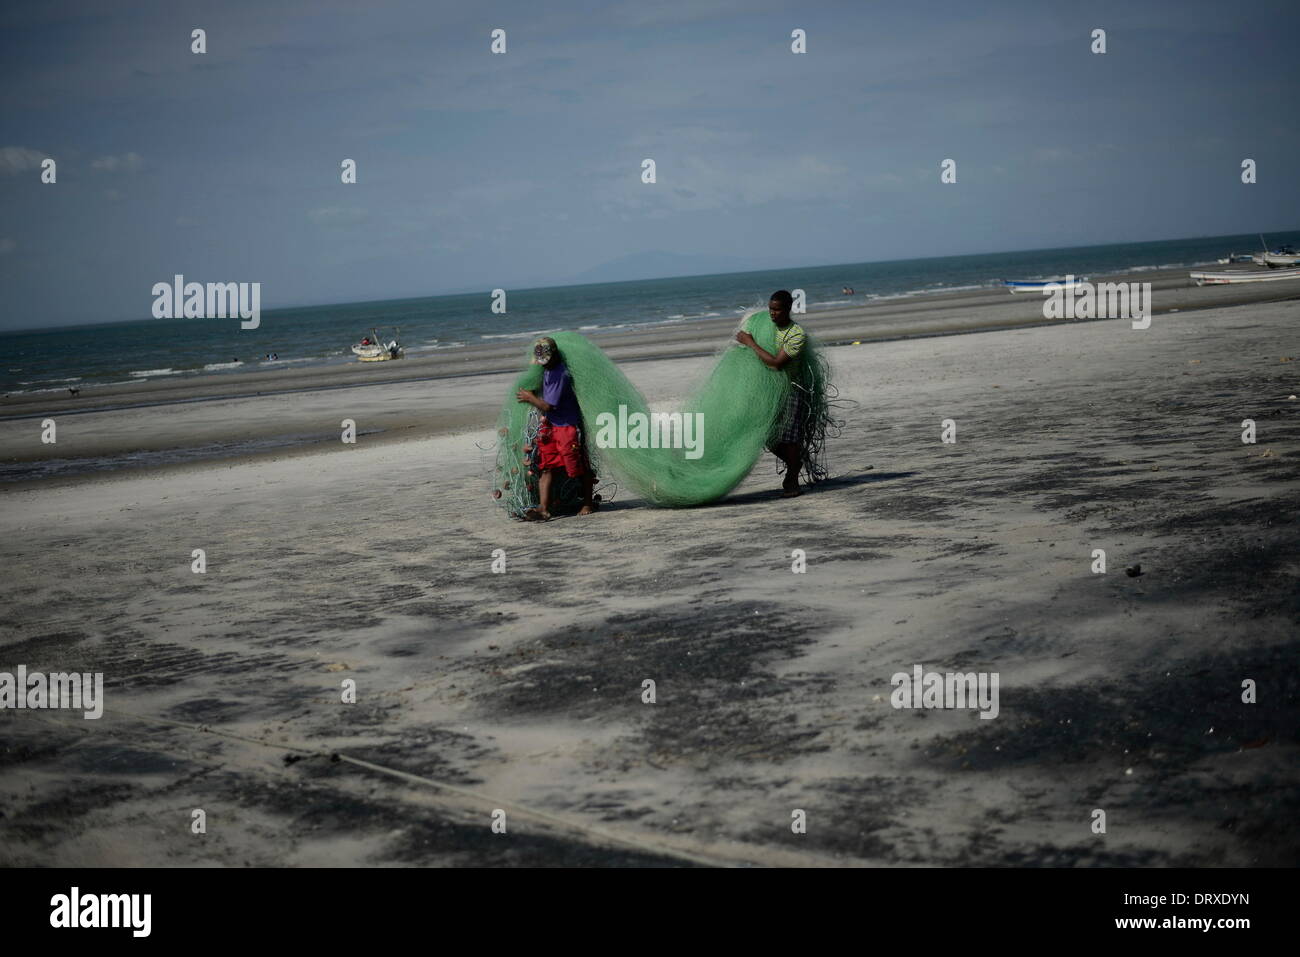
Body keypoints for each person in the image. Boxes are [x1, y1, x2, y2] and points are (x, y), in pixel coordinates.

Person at [735, 290, 809, 497]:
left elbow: (777, 364)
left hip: (791, 389)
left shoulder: (796, 334)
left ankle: (793, 480)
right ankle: (795, 464)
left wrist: (749, 342)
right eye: (770, 309)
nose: (772, 314)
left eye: (777, 310)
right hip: (768, 391)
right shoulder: (766, 326)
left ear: (788, 309)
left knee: (791, 438)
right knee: (767, 436)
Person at [515, 336, 596, 520]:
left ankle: (588, 502)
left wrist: (529, 397)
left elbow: (549, 406)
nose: (542, 364)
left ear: (554, 356)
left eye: (545, 360)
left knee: (577, 466)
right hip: (551, 426)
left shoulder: (560, 373)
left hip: (567, 426)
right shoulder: (547, 370)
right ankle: (543, 508)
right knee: (547, 466)